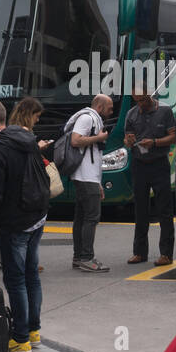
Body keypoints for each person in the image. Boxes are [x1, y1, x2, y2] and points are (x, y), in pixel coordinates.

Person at [0, 98, 49, 352]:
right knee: (31, 276)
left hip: (15, 222)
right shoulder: (25, 139)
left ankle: (20, 339)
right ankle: (33, 331)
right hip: (37, 215)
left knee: (15, 280)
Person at [124, 85, 176, 266]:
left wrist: (154, 142)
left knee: (164, 210)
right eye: (136, 101)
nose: (140, 105)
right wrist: (129, 141)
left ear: (149, 96)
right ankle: (139, 252)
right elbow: (127, 137)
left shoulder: (165, 111)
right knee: (140, 209)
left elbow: (173, 137)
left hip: (159, 164)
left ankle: (166, 254)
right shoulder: (131, 114)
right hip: (139, 165)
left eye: (142, 101)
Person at [69, 93, 113, 272]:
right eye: (109, 109)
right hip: (85, 176)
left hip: (88, 177)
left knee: (81, 217)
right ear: (100, 107)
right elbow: (75, 140)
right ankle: (87, 258)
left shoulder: (93, 119)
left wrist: (99, 182)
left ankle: (79, 257)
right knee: (91, 218)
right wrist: (99, 138)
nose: (111, 112)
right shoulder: (87, 118)